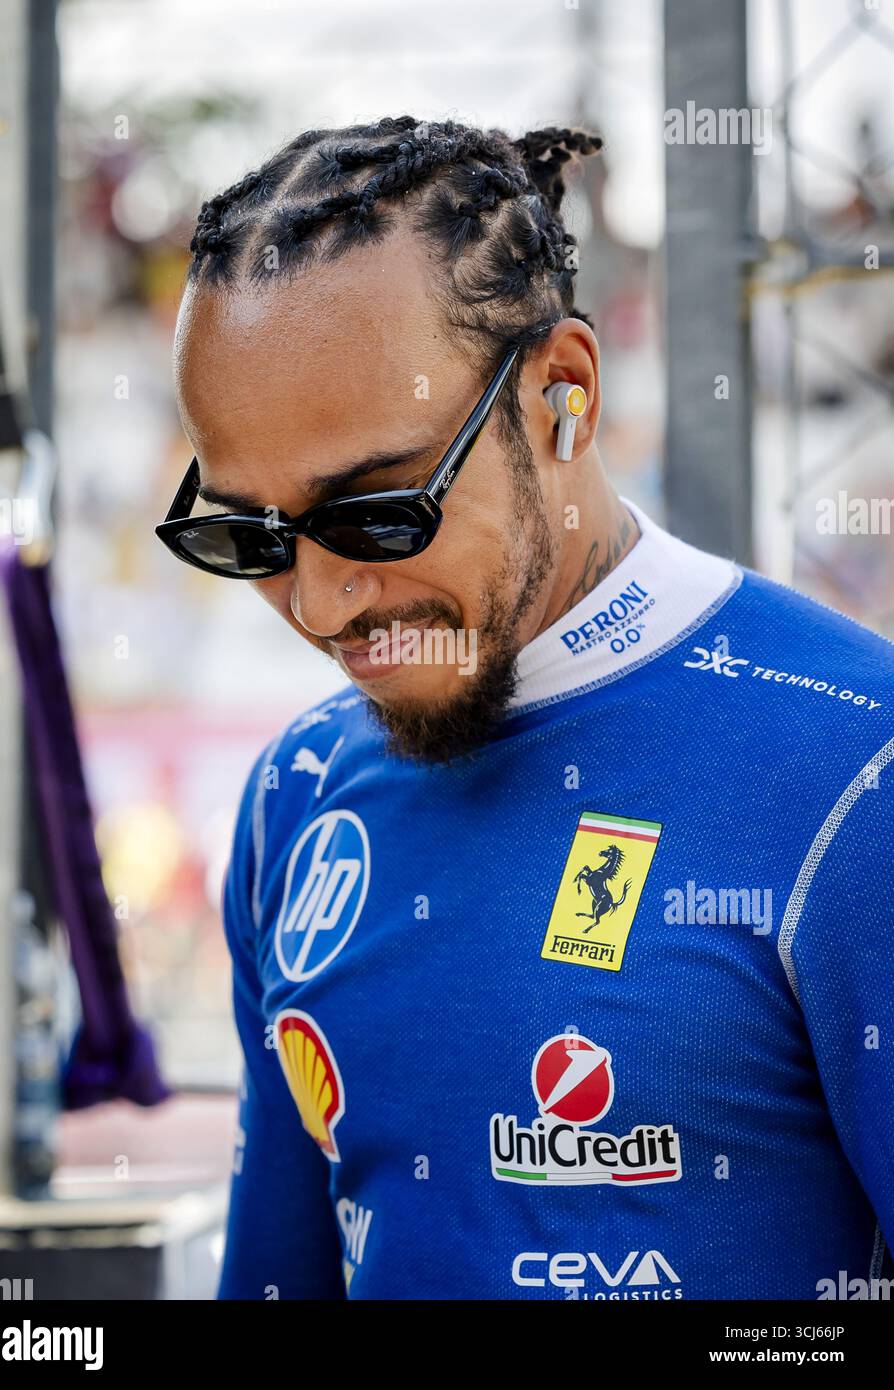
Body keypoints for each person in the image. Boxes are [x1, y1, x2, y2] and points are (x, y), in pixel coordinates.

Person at [157, 116, 894, 1300]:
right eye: (248, 535)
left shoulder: (857, 769)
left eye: (377, 512)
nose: (321, 599)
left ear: (563, 394)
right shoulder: (294, 802)